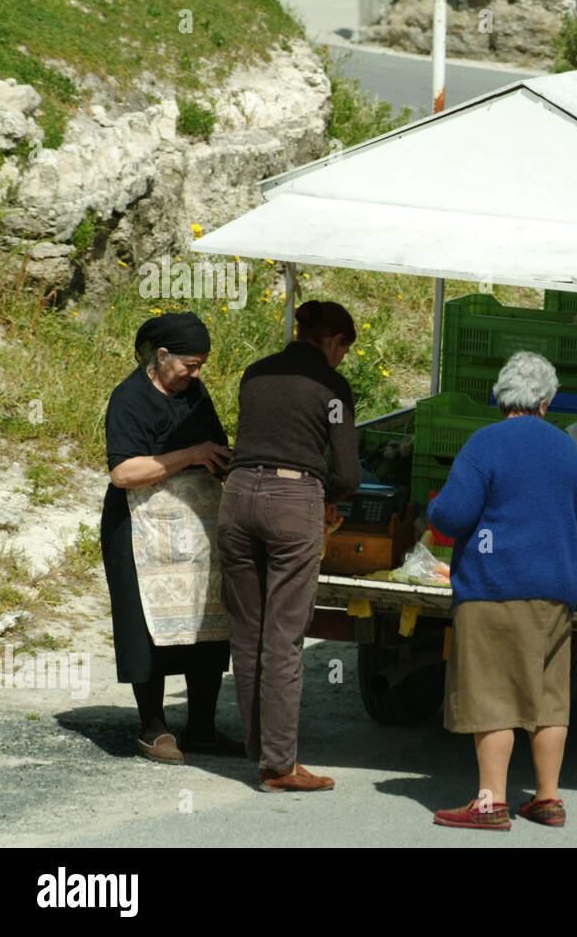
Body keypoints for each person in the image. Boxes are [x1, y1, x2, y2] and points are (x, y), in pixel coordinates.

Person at [428, 351, 577, 830]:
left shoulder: (485, 444)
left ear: (499, 396)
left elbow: (453, 516)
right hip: (555, 593)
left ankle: (490, 802)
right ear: (546, 401)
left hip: (494, 586)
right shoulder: (569, 450)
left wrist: (434, 511)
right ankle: (547, 798)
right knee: (549, 699)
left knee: (492, 695)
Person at [217, 299, 360, 793]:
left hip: (236, 497)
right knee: (283, 637)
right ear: (335, 342)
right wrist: (327, 499)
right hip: (293, 500)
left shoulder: (254, 373)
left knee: (248, 632)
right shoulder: (332, 387)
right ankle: (279, 767)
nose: (342, 360)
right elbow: (346, 472)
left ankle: (260, 750)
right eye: (344, 350)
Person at [101, 311, 241, 764]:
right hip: (139, 532)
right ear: (161, 356)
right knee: (147, 626)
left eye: (200, 365)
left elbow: (213, 447)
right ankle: (152, 729)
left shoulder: (194, 393)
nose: (195, 374)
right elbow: (124, 472)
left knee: (205, 622)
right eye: (189, 365)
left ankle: (201, 727)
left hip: (194, 533)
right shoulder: (130, 398)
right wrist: (193, 454)